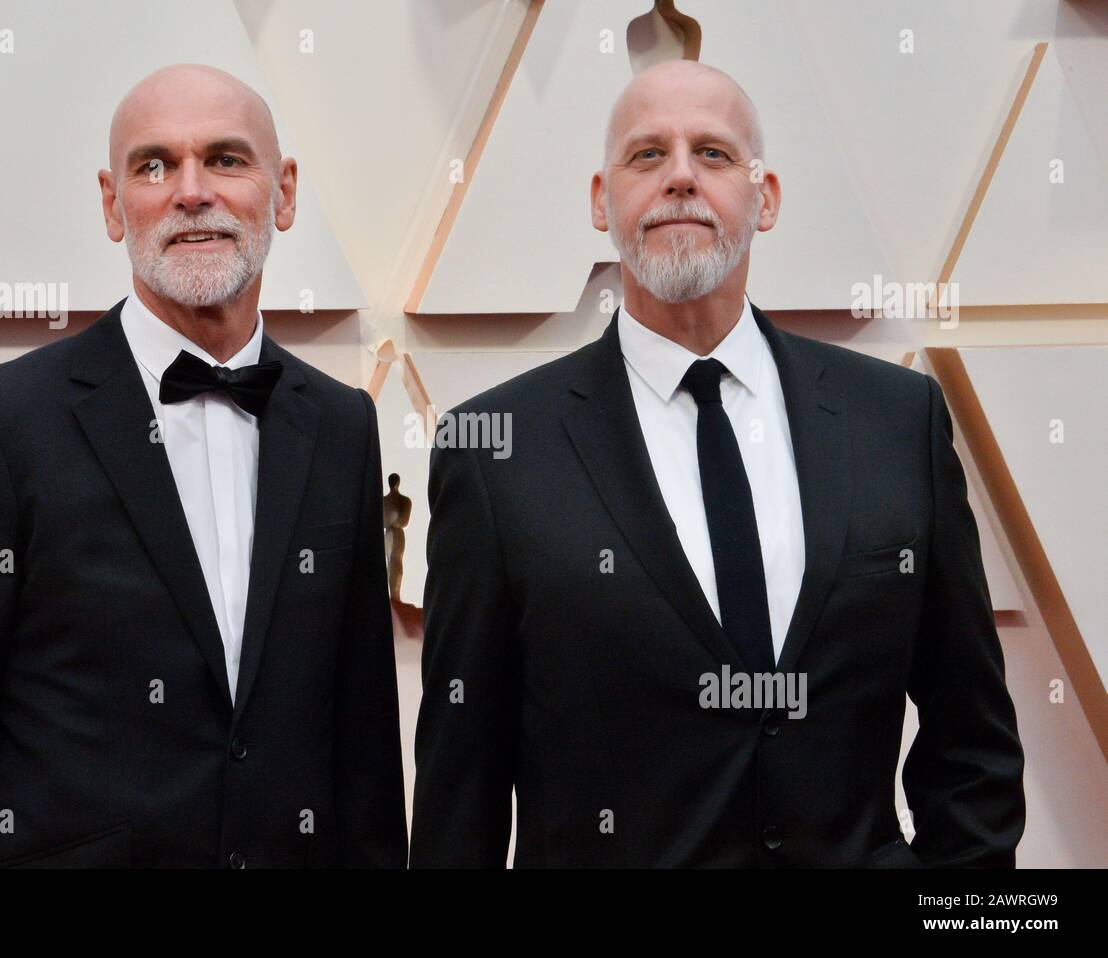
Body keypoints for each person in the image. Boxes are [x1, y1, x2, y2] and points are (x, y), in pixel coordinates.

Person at [411, 60, 1024, 867]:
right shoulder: (495, 450)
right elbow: (463, 794)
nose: (679, 178)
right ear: (602, 201)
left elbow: (971, 742)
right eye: (646, 155)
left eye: (713, 153)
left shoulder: (897, 422)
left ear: (763, 198)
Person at [0, 64, 406, 868]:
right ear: (114, 205)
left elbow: (361, 744)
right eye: (153, 166)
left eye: (225, 159)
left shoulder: (341, 424)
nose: (191, 192)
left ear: (283, 193)